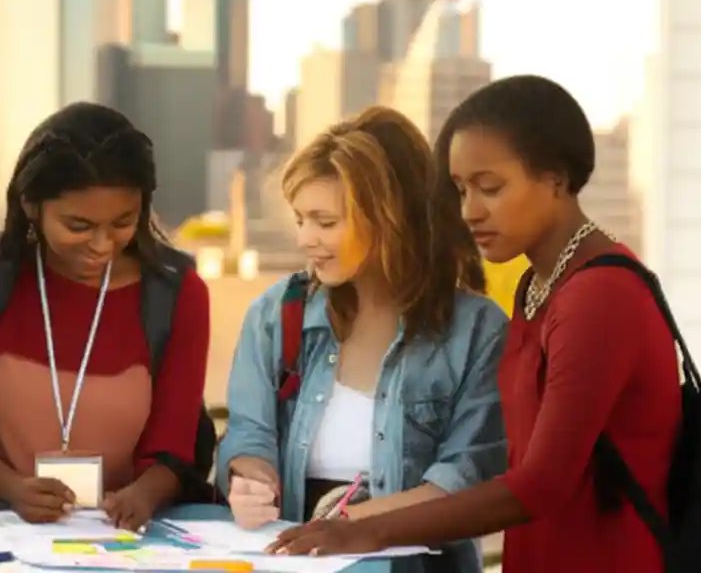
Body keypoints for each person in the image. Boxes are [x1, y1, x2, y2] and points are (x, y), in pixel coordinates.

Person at [268, 75, 682, 573]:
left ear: (556, 178)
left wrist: (366, 528)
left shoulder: (599, 295)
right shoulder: (539, 286)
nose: (470, 211)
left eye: (491, 188)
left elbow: (541, 484)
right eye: (461, 190)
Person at [217, 106, 508, 573]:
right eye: (300, 219)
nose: (306, 239)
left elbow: (466, 479)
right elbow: (248, 433)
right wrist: (250, 477)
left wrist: (351, 525)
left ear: (388, 219)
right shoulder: (276, 314)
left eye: (325, 222)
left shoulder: (477, 331)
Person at [0, 102, 211, 531]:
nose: (102, 244)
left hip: (121, 535)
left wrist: (143, 495)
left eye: (123, 222)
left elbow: (174, 446)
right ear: (32, 206)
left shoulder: (178, 293)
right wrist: (14, 490)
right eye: (78, 226)